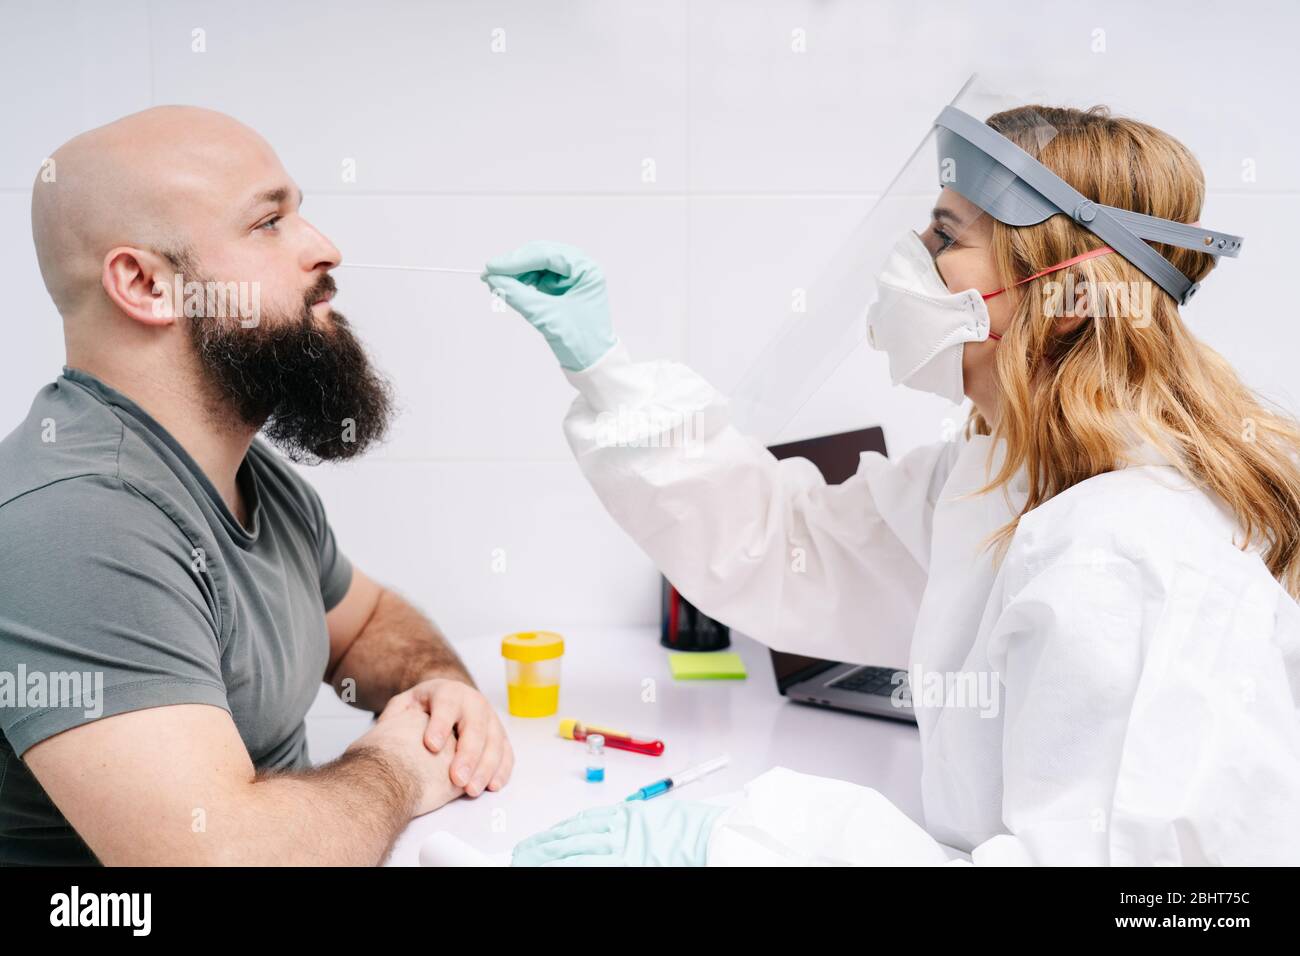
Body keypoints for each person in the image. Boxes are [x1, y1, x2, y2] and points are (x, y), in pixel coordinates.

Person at [486, 103, 1300, 865]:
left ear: (1067, 297)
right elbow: (790, 548)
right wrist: (607, 373)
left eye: (945, 237)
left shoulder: (1134, 560)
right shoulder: (1003, 475)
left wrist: (752, 843)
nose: (914, 259)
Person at [0, 106, 513, 866]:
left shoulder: (244, 472)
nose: (325, 249)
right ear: (145, 283)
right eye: (269, 222)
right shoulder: (76, 520)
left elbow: (365, 622)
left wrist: (438, 688)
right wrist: (402, 767)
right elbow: (218, 860)